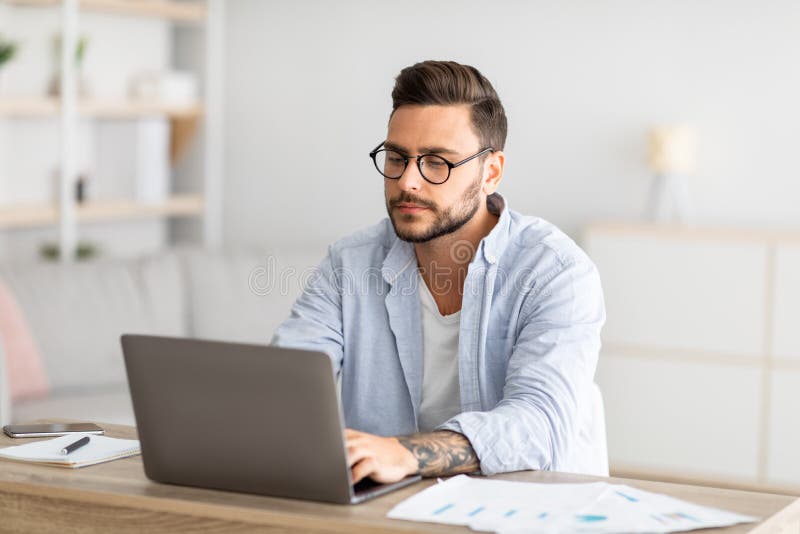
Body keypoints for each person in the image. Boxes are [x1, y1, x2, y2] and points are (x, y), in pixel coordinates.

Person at [272, 60, 606, 485]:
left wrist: (404, 453)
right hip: (389, 509)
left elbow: (538, 426)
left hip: (530, 509)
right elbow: (286, 382)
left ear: (491, 172)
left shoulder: (555, 271)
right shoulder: (350, 263)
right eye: (397, 157)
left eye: (436, 162)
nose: (408, 181)